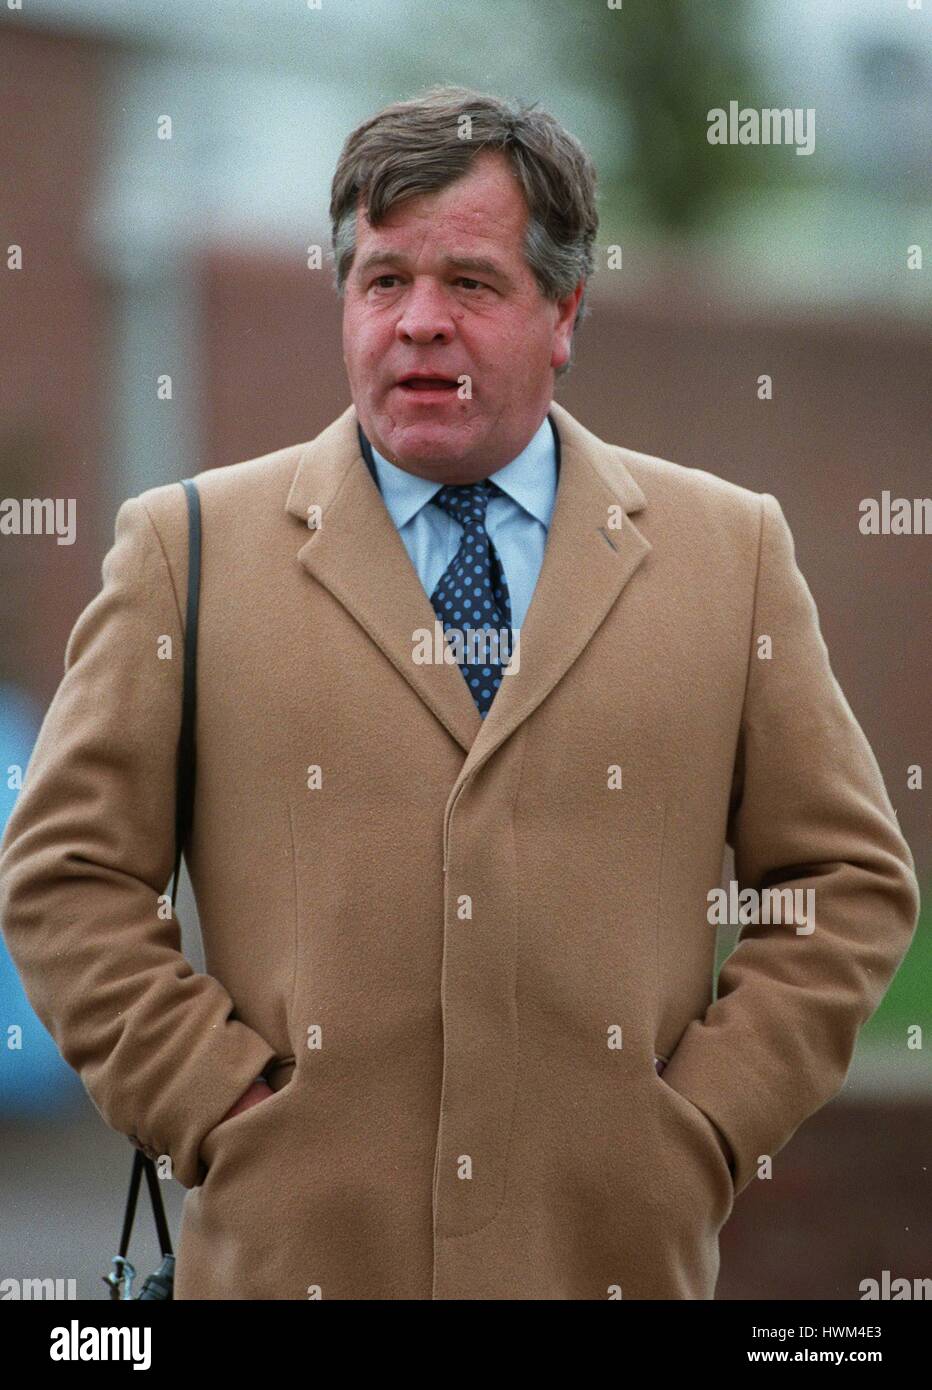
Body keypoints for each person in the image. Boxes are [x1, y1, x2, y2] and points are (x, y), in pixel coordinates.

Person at [0, 85, 919, 1301]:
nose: (418, 323)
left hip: (609, 1265)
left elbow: (842, 882)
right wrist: (218, 1106)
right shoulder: (187, 548)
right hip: (294, 1268)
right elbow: (68, 876)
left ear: (564, 311)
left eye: (469, 284)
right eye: (383, 282)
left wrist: (700, 1122)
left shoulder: (728, 551)